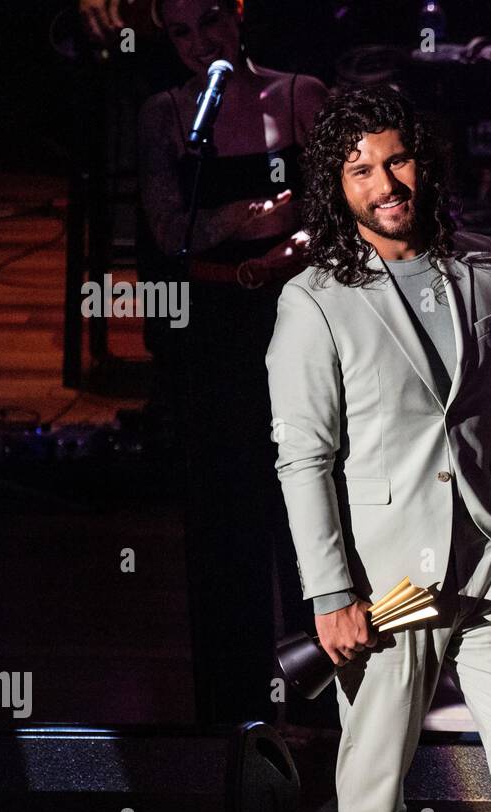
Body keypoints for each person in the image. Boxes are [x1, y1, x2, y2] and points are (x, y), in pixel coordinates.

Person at [266, 86, 491, 812]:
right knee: (373, 800)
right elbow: (304, 457)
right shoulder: (314, 300)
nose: (385, 183)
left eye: (396, 159)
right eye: (360, 169)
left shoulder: (484, 266)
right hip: (386, 586)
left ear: (422, 161)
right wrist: (331, 593)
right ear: (337, 188)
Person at [137, 0, 327, 723]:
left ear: (242, 13)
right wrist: (253, 227)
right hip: (214, 333)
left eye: (210, 20)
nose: (197, 43)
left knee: (308, 512)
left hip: (299, 324)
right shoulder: (164, 116)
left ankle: (327, 703)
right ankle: (232, 711)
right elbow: (167, 232)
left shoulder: (299, 95)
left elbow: (339, 212)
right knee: (224, 518)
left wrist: (286, 249)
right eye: (179, 31)